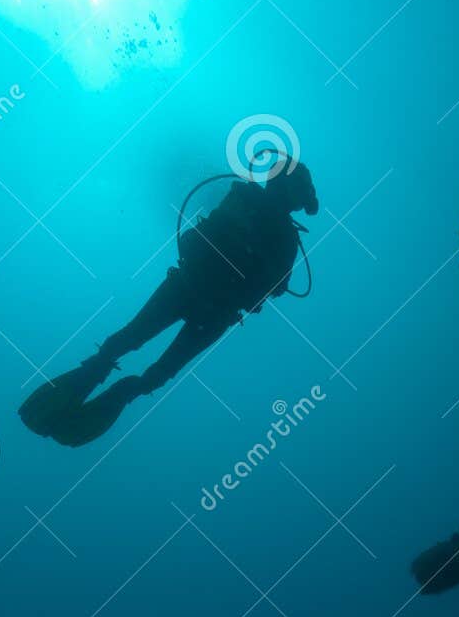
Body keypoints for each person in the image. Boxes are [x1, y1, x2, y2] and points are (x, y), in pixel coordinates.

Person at [20, 160, 318, 446]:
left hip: (192, 293)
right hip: (208, 307)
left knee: (137, 344)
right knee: (151, 360)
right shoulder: (265, 218)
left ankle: (104, 379)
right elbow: (272, 289)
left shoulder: (249, 203)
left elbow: (259, 278)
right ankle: (118, 385)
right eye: (297, 191)